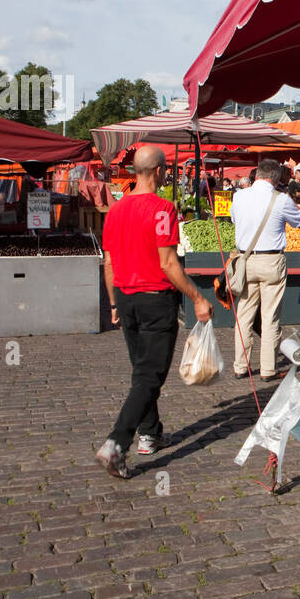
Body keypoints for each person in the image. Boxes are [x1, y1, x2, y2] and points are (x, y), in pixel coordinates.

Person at [98, 146, 212, 478]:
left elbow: (109, 264)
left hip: (126, 297)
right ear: (160, 172)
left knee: (141, 373)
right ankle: (117, 443)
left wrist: (114, 303)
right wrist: (196, 297)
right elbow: (169, 263)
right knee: (150, 376)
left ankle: (150, 433)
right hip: (155, 300)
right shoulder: (162, 209)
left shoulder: (115, 210)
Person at [228, 159, 300, 381]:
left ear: (258, 174)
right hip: (271, 260)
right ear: (277, 178)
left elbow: (234, 219)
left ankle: (240, 366)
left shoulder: (239, 196)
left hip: (245, 259)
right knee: (270, 316)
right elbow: (299, 222)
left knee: (244, 314)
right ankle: (268, 369)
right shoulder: (281, 199)